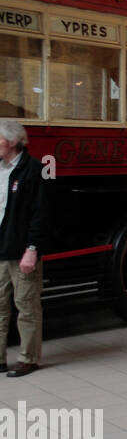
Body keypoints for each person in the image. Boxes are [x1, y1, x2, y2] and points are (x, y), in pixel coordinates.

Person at [0, 121, 47, 377]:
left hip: (21, 250)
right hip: (0, 247)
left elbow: (40, 215)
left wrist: (32, 249)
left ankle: (28, 358)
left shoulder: (33, 170)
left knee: (26, 305)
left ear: (12, 142)